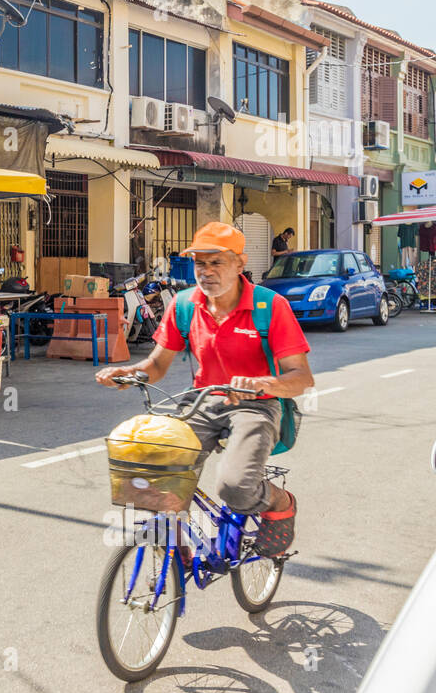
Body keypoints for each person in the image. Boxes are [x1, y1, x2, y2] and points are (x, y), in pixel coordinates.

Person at [95, 221, 313, 556]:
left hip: (257, 405)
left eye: (216, 262)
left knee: (235, 487)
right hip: (201, 402)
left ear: (239, 264)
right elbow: (157, 365)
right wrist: (131, 373)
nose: (206, 271)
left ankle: (280, 504)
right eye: (199, 263)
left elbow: (301, 377)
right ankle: (175, 554)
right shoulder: (184, 304)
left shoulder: (270, 306)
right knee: (156, 475)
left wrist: (261, 383)